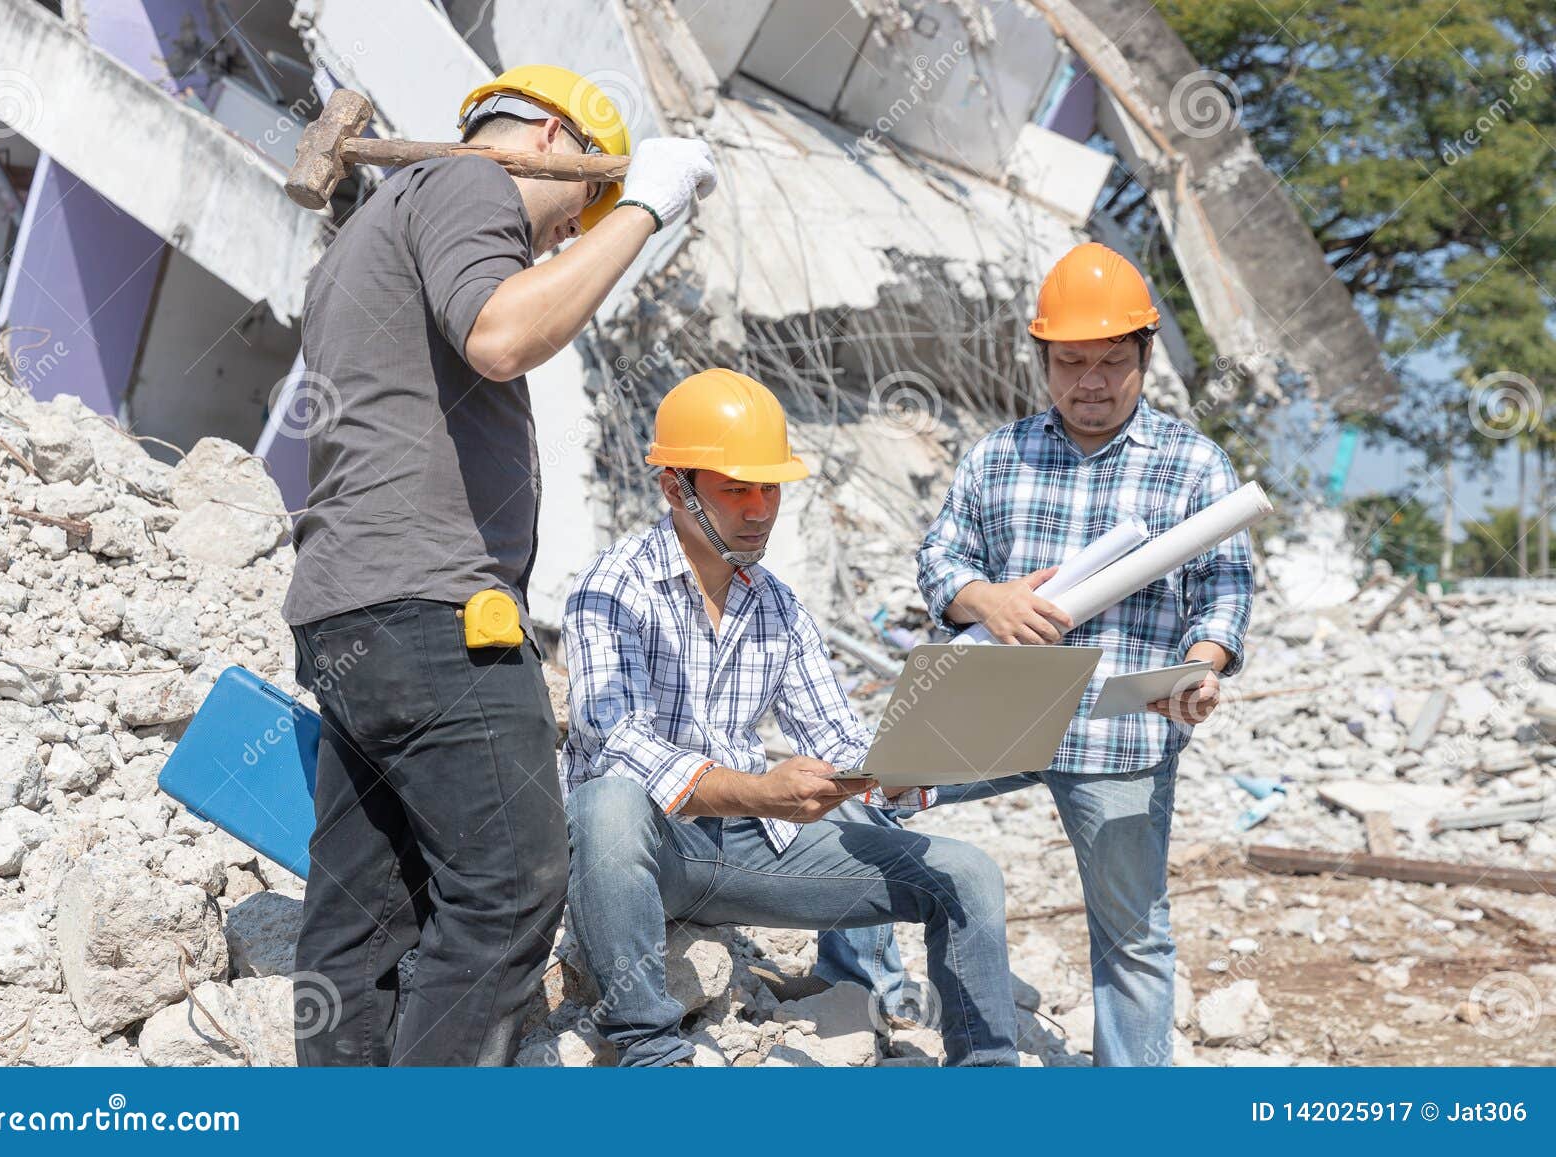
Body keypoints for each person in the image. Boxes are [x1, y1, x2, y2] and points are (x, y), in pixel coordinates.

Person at [280, 65, 717, 1066]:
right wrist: (644, 203)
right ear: (553, 139)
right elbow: (505, 333)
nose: (564, 240)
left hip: (354, 617)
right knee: (512, 883)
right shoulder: (473, 184)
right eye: (578, 212)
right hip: (436, 612)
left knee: (362, 918)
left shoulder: (367, 236)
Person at [817, 243, 1255, 1067]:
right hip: (994, 708)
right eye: (1070, 363)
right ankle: (855, 990)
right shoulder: (998, 454)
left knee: (1131, 934)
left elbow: (1225, 588)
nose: (1090, 381)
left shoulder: (1194, 465)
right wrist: (989, 600)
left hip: (1117, 736)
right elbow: (941, 562)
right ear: (1044, 358)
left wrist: (1203, 663)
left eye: (1111, 362)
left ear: (1145, 355)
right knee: (861, 798)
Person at [559, 369, 1020, 1067]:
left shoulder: (776, 604)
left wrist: (901, 770)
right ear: (675, 488)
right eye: (736, 488)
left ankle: (988, 1084)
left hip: (747, 849)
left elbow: (838, 738)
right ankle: (649, 1052)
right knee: (608, 803)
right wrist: (757, 789)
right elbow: (614, 741)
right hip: (644, 854)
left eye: (769, 487)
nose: (758, 509)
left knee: (970, 872)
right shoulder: (610, 587)